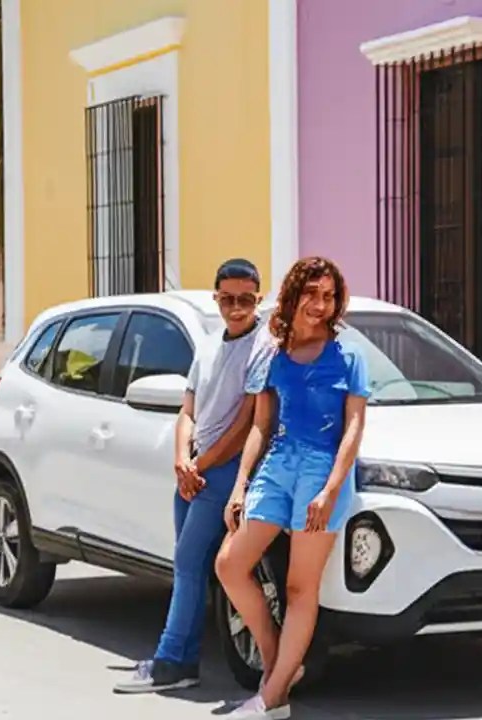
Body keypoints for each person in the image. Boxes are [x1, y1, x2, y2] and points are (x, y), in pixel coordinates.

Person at [215, 257, 369, 720]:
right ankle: (277, 659)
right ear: (294, 294)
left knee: (301, 588)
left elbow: (354, 428)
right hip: (278, 464)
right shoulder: (274, 354)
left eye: (329, 296)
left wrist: (330, 489)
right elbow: (261, 425)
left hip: (322, 471)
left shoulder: (348, 358)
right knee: (229, 564)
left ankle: (273, 694)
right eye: (312, 293)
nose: (320, 305)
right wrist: (240, 485)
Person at [115, 258, 274, 694]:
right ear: (216, 298)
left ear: (258, 298)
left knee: (188, 564)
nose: (236, 307)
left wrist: (198, 467)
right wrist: (181, 459)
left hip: (221, 474)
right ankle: (181, 661)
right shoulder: (207, 344)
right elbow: (188, 409)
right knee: (188, 568)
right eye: (228, 299)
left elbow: (246, 423)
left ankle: (170, 662)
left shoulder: (264, 346)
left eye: (246, 299)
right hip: (195, 470)